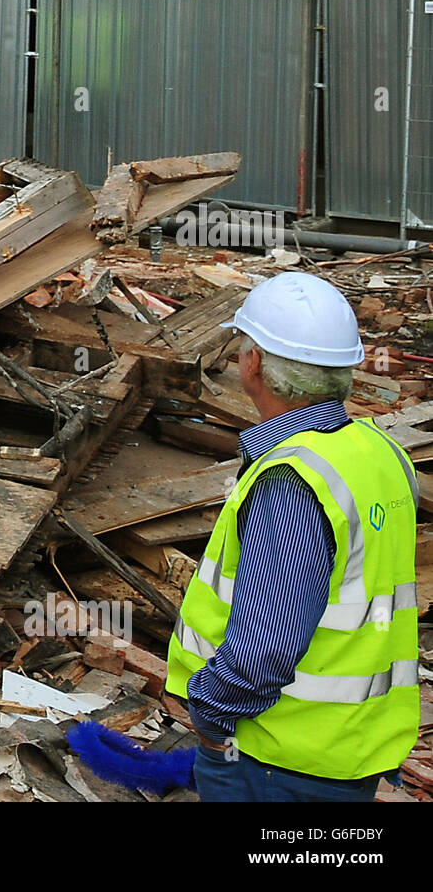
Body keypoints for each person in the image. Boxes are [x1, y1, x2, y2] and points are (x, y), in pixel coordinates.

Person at [165, 271, 419, 801]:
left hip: (276, 759)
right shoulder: (379, 452)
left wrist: (209, 715)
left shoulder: (292, 482)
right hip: (351, 750)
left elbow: (266, 648)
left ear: (254, 363)